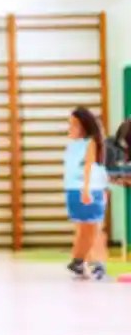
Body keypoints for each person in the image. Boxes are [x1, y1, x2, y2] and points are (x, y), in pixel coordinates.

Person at [64, 106, 109, 280]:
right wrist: (87, 189)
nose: (70, 128)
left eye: (74, 125)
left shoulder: (87, 143)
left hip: (83, 189)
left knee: (87, 229)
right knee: (92, 229)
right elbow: (87, 167)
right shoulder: (80, 144)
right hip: (84, 190)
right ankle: (89, 262)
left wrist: (87, 188)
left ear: (84, 125)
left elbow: (90, 166)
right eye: (70, 124)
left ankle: (82, 262)